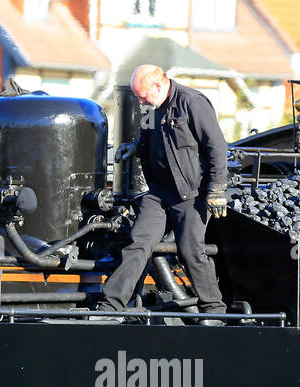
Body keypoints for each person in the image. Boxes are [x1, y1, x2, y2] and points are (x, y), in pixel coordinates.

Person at [96, 65, 230, 320]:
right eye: (137, 96)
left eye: (142, 94)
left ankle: (214, 311)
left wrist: (217, 189)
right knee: (138, 242)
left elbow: (216, 147)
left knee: (190, 250)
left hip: (192, 193)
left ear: (158, 85)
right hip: (159, 193)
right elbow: (150, 139)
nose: (140, 100)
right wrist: (134, 147)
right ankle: (110, 306)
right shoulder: (150, 108)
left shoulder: (192, 102)